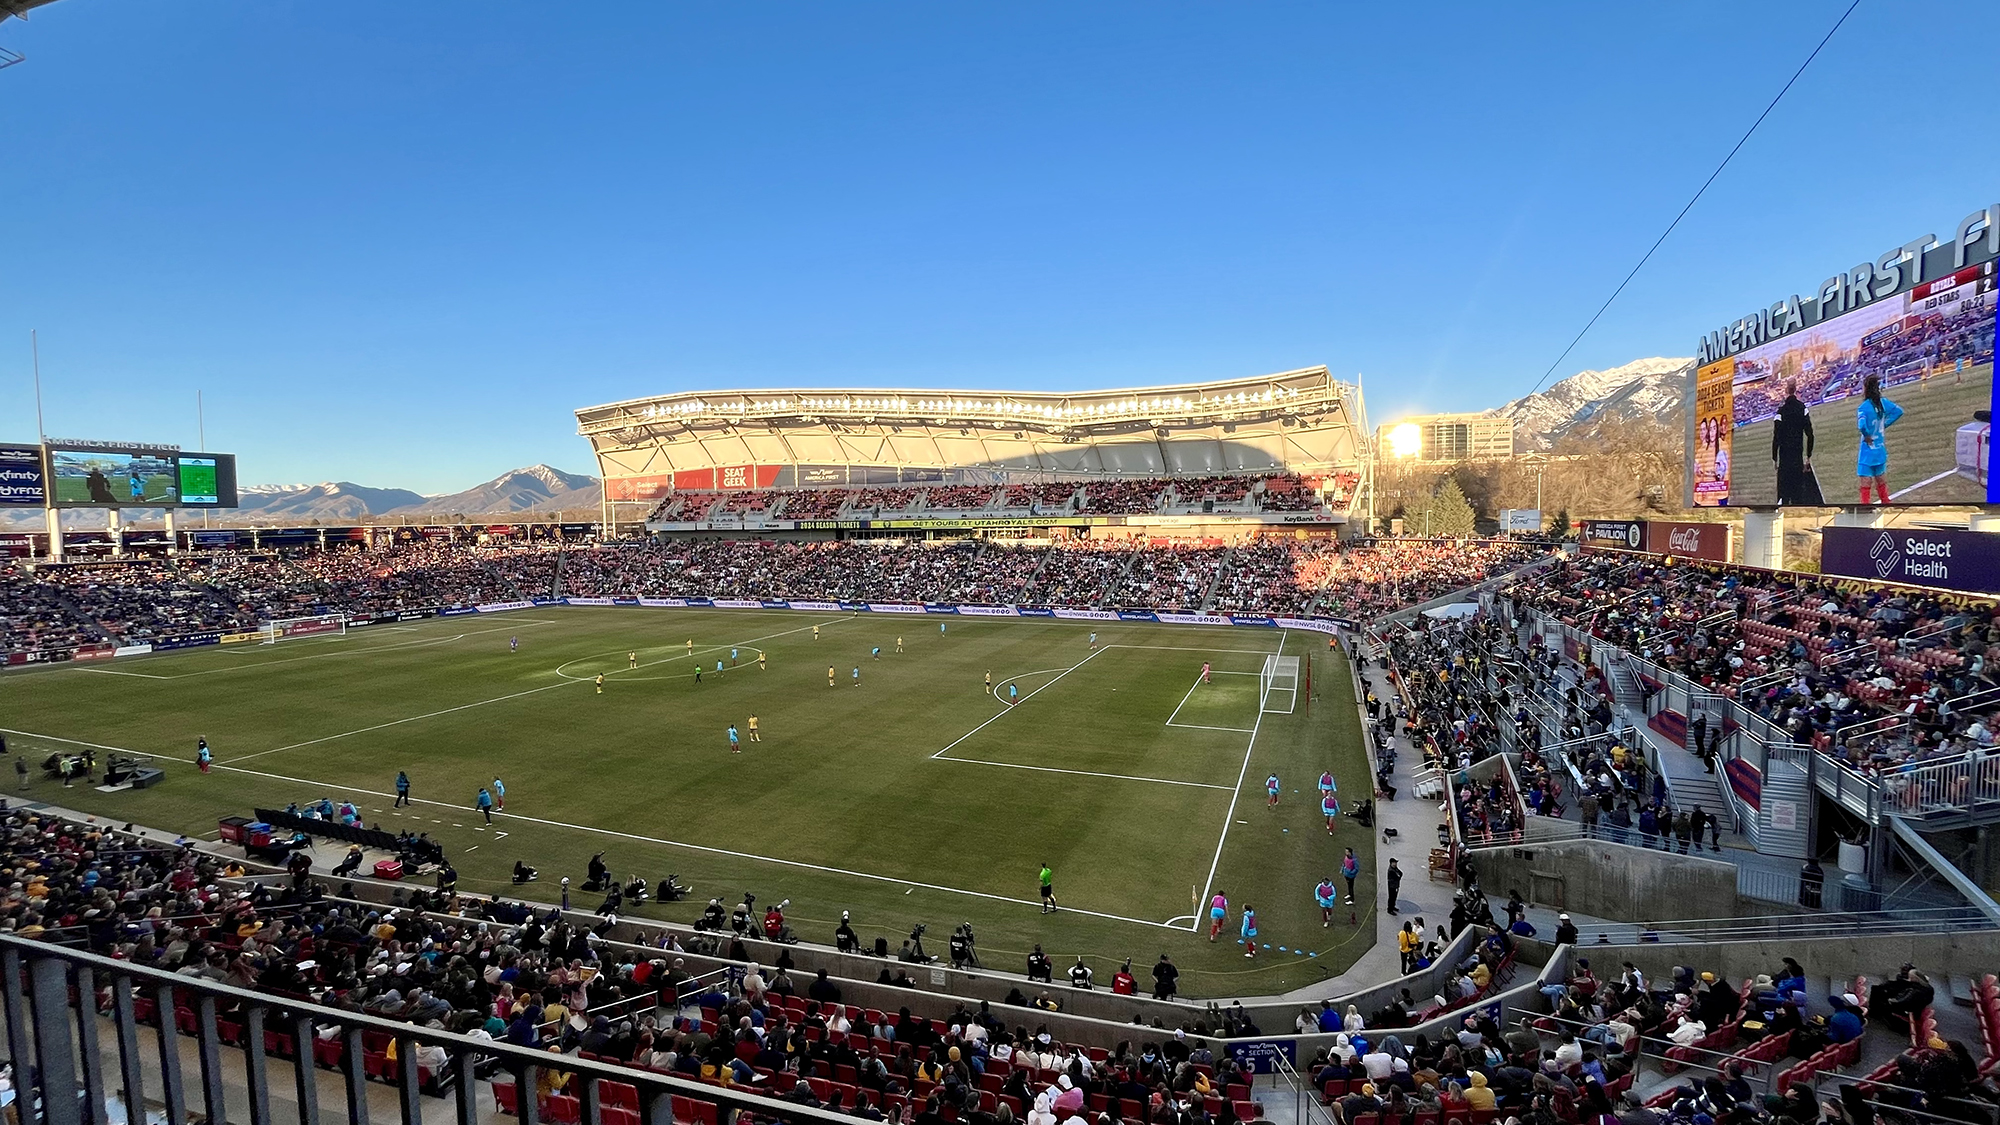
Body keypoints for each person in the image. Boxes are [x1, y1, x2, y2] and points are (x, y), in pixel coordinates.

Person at [1856, 374, 1904, 506]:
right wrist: (1884, 425)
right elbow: (1899, 411)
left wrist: (1866, 435)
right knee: (1881, 478)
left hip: (1867, 450)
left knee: (1865, 481)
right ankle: (1886, 502)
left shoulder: (1863, 407)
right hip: (1880, 448)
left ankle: (1865, 505)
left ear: (1866, 389)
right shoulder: (1883, 403)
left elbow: (1861, 426)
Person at [1772, 381, 1819, 505]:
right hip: (1797, 457)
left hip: (1784, 458)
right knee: (1798, 495)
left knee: (1784, 495)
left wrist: (1774, 458)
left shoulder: (1780, 412)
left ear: (1786, 392)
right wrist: (1808, 456)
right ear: (1795, 391)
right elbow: (1810, 434)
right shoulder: (1802, 408)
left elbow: (1776, 437)